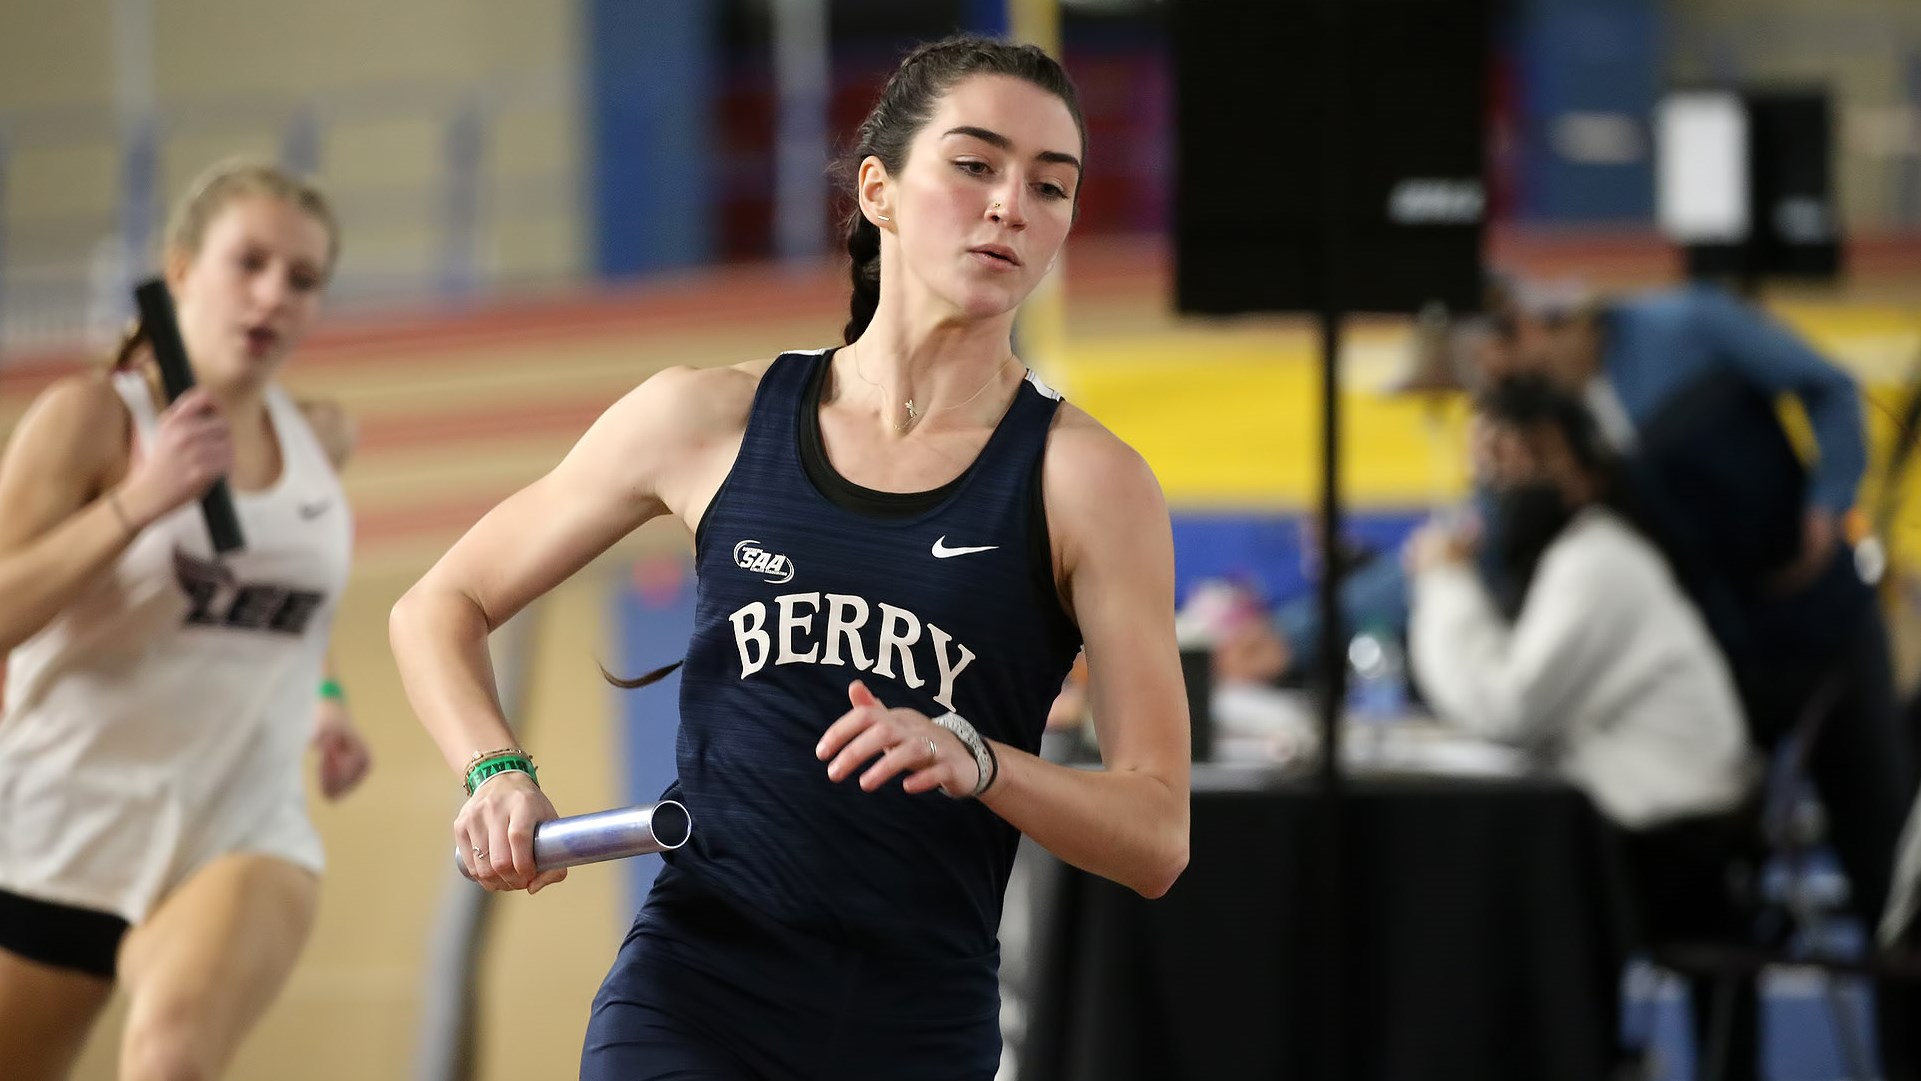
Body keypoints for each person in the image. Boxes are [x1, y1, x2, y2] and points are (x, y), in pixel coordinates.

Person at [389, 35, 1190, 1081]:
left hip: (919, 1024)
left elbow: (1156, 830)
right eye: (974, 164)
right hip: (693, 992)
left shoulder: (1088, 481)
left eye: (1051, 186)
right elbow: (437, 603)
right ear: (879, 189)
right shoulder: (706, 418)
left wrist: (984, 762)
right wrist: (494, 768)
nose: (1011, 206)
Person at [0, 160, 371, 1081]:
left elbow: (287, 608)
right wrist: (139, 500)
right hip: (59, 835)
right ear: (180, 270)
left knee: (170, 1059)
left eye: (302, 279)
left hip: (238, 829)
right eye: (248, 262)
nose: (272, 295)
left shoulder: (322, 435)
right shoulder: (90, 419)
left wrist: (323, 695)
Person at [1406, 374, 1760, 1076]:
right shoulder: (1560, 560)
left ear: (1587, 476)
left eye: (1530, 460)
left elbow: (1506, 709)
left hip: (1685, 849)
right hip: (1653, 833)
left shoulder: (1599, 561)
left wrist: (1443, 583)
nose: (1507, 481)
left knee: (1495, 894)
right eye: (1491, 461)